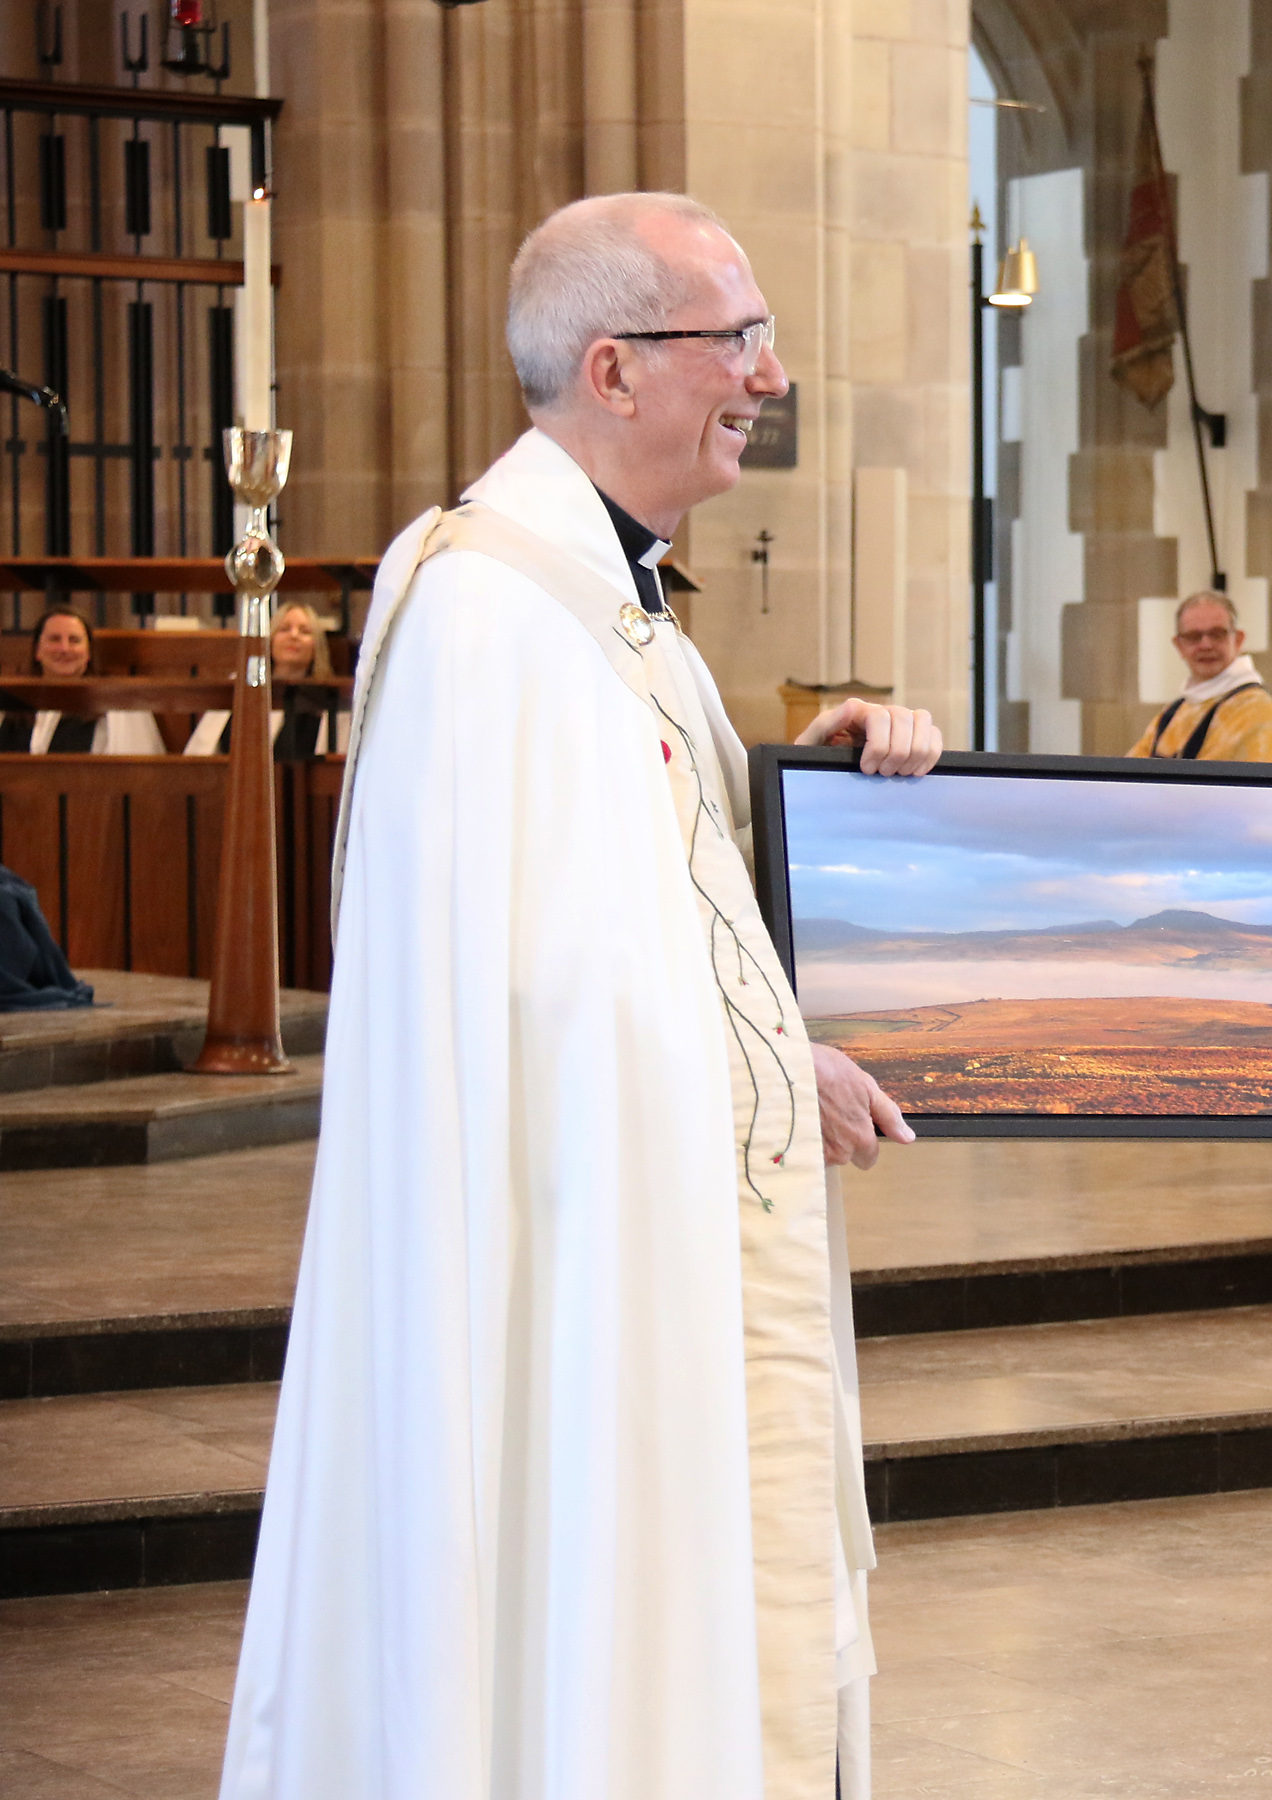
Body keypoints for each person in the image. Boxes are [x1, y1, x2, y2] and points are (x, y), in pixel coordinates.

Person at [218, 192, 940, 1800]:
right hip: (574, 1266)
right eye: (738, 339)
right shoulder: (486, 612)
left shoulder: (615, 606)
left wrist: (806, 797)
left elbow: (660, 892)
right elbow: (539, 996)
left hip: (653, 1230)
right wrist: (769, 1069)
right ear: (614, 370)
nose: (770, 374)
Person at [1129, 590, 1272, 759]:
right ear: (1179, 646)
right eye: (1193, 636)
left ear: (1238, 640)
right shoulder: (1171, 715)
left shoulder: (1259, 712)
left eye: (1217, 634)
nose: (1206, 645)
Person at [182, 601, 350, 758]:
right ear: (270, 641)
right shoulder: (242, 684)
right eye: (284, 629)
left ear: (317, 647)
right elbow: (202, 750)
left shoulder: (330, 696)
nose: (294, 636)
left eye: (305, 631)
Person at [0, 606, 165, 754]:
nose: (64, 649)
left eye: (74, 640)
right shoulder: (12, 699)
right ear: (37, 651)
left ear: (88, 653)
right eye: (54, 639)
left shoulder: (116, 705)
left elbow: (134, 769)